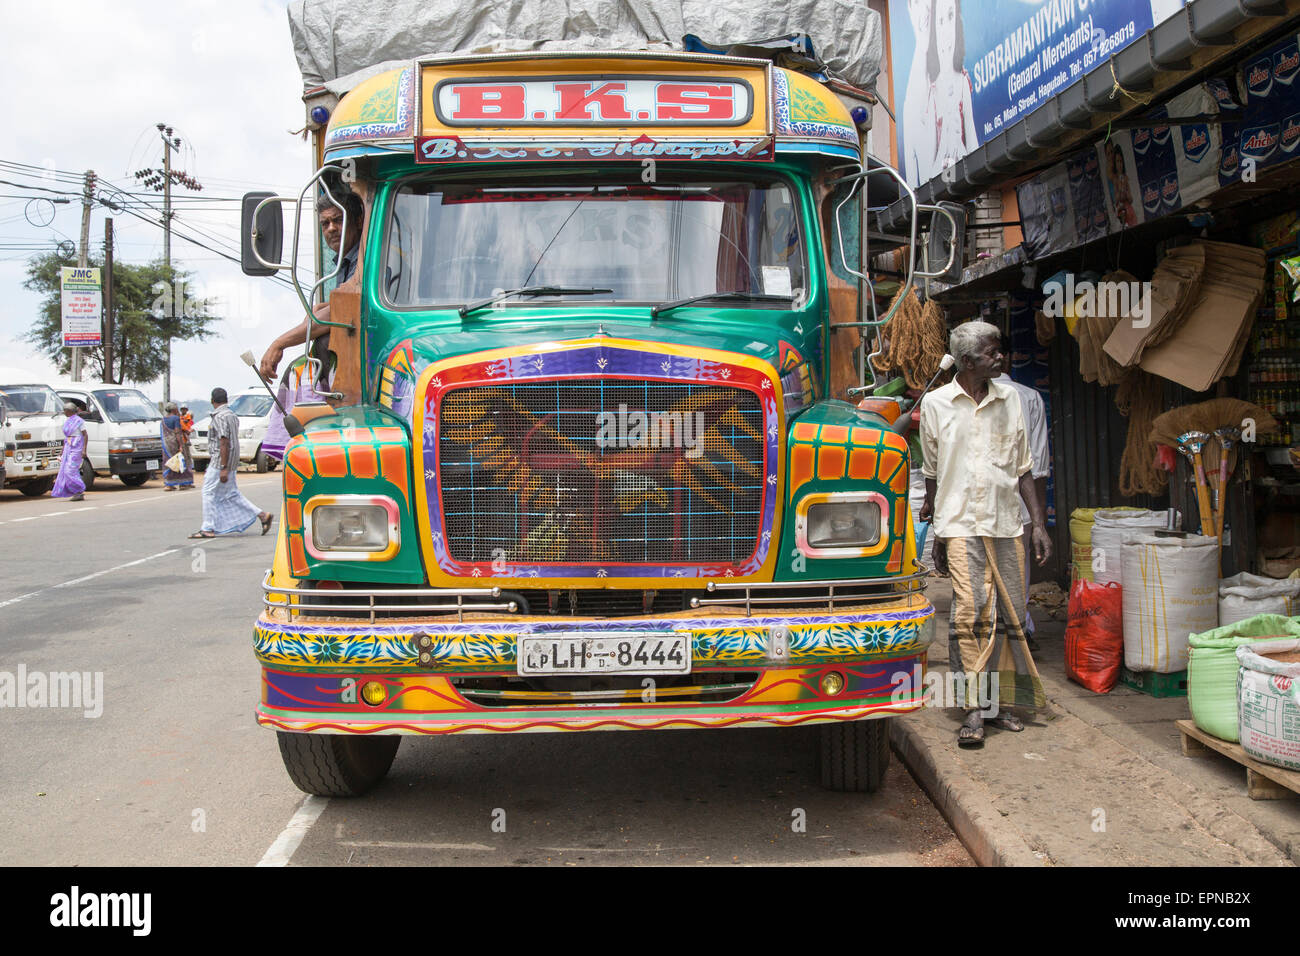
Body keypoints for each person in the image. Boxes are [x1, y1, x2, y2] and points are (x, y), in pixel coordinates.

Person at [919, 321, 1051, 748]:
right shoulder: (937, 405)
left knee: (1006, 613)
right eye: (994, 353)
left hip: (1005, 522)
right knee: (969, 613)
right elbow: (933, 473)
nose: (1002, 357)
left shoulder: (1010, 398)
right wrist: (936, 531)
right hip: (959, 524)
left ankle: (997, 705)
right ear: (968, 360)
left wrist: (1039, 525)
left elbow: (1024, 467)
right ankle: (973, 709)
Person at [259, 191, 363, 460]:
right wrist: (320, 310)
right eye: (325, 223)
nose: (331, 229)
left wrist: (279, 343)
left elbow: (340, 314)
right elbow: (335, 307)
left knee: (312, 355)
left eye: (338, 220)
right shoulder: (345, 263)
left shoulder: (367, 257)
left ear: (359, 220)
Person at [993, 344, 1051, 652]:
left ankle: (997, 635)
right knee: (1019, 571)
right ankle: (1019, 629)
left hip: (979, 508)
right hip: (1020, 506)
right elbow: (1038, 466)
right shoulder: (1029, 396)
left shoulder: (956, 398)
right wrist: (1038, 520)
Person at [191, 387, 273, 539]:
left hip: (220, 461)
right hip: (232, 460)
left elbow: (224, 442)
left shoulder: (220, 417)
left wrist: (223, 467)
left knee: (208, 492)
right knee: (231, 494)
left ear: (212, 401)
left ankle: (207, 527)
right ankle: (263, 515)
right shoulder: (232, 415)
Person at [926, 0, 978, 176]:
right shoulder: (932, 92)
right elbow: (929, 168)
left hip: (966, 172)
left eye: (950, 17)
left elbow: (973, 144)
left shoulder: (963, 81)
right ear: (934, 29)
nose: (946, 28)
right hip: (940, 181)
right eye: (940, 21)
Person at [52, 401, 88, 501]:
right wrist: (62, 451)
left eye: (65, 410)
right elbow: (67, 437)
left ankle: (79, 489)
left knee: (70, 470)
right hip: (68, 447)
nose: (64, 412)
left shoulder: (79, 421)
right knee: (67, 470)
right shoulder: (68, 421)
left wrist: (84, 450)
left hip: (77, 447)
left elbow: (85, 435)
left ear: (69, 411)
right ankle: (77, 492)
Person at [160, 401, 194, 491]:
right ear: (174, 409)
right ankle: (183, 483)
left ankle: (169, 484)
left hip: (166, 445)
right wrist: (180, 445)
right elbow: (178, 432)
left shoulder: (163, 419)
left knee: (169, 463)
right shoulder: (176, 418)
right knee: (181, 462)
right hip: (174, 443)